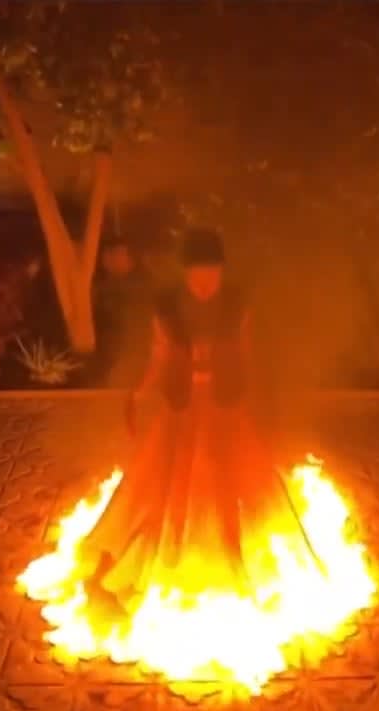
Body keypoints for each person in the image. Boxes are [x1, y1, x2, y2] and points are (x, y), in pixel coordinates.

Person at [80, 228, 299, 620]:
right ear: (185, 274)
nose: (204, 282)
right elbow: (160, 357)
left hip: (226, 407)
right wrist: (140, 393)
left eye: (212, 273)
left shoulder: (236, 305)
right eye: (197, 274)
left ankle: (230, 556)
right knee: (171, 483)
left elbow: (248, 355)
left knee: (230, 480)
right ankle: (172, 556)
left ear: (221, 272)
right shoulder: (167, 309)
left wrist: (259, 399)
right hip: (182, 408)